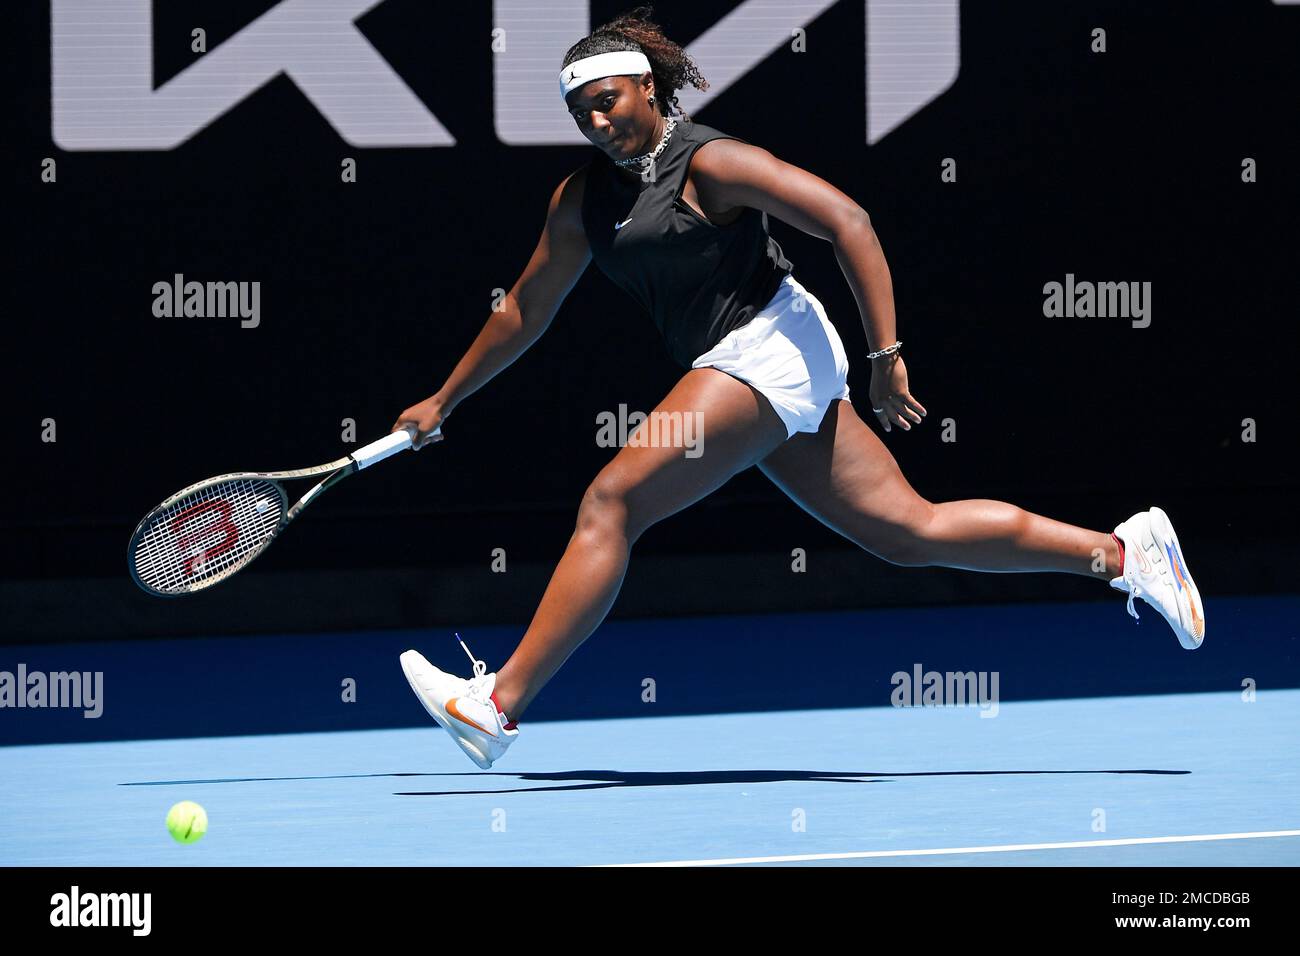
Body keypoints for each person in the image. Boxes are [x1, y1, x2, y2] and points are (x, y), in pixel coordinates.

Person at [391, 7, 1205, 770]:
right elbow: (526, 309)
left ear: (647, 86)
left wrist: (886, 354)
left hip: (769, 344)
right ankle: (1127, 553)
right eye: (581, 114)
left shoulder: (711, 163)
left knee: (613, 500)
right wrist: (445, 398)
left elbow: (848, 220)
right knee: (908, 531)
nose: (597, 123)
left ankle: (497, 704)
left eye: (608, 102)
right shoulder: (580, 200)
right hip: (750, 359)